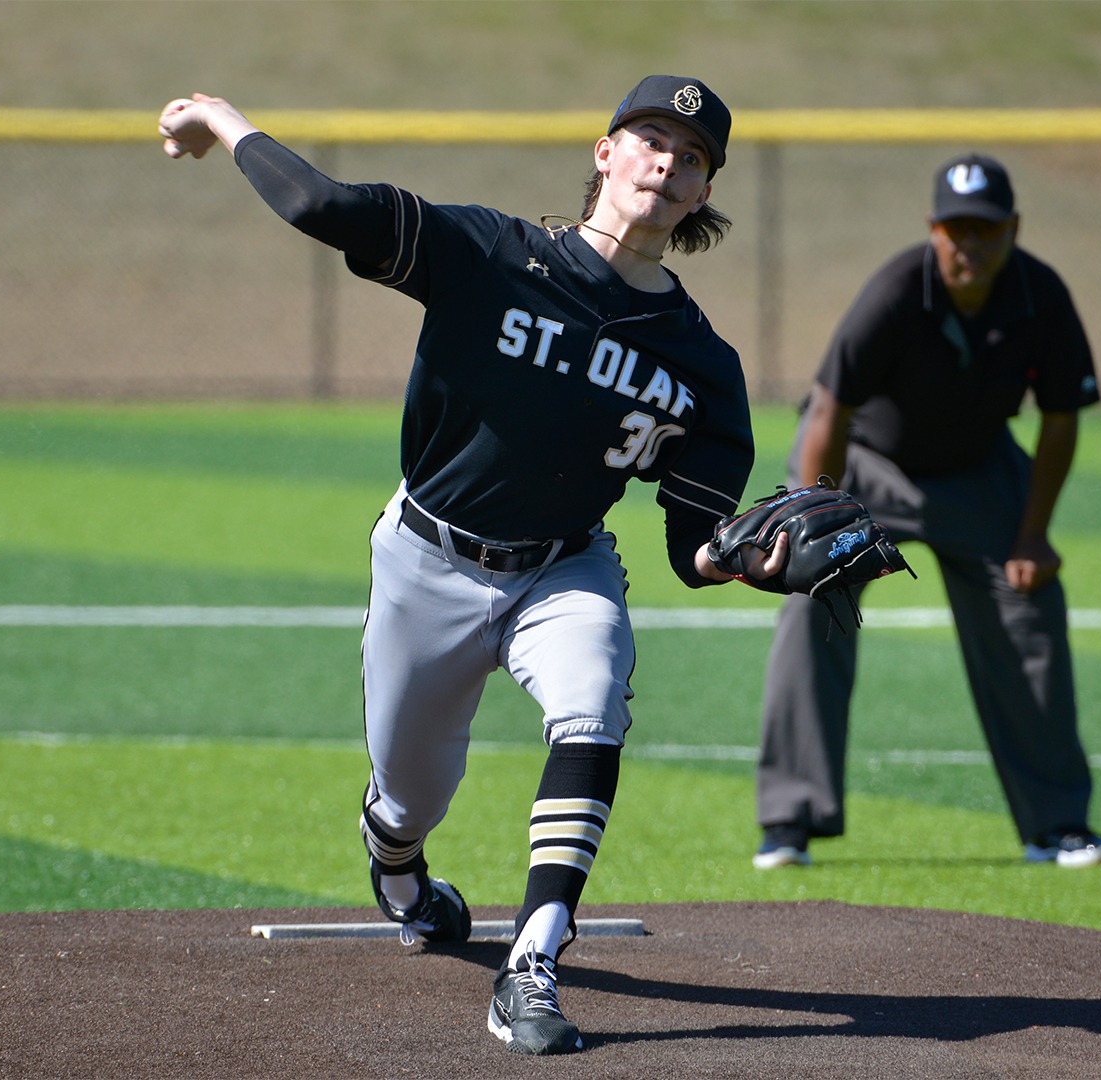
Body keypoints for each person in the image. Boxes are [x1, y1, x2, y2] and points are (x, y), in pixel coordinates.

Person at [159, 76, 785, 1056]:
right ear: (604, 153)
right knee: (411, 794)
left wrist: (746, 558)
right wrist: (221, 119)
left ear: (703, 194)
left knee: (594, 699)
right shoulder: (493, 254)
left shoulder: (705, 367)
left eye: (693, 155)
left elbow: (690, 546)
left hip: (565, 570)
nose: (668, 161)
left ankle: (532, 960)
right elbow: (325, 208)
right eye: (651, 138)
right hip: (426, 562)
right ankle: (397, 859)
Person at [752, 153, 1101, 872]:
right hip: (867, 468)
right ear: (932, 229)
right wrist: (810, 515)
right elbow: (829, 407)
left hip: (978, 472)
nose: (968, 245)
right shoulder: (895, 289)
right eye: (955, 229)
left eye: (984, 229)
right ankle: (789, 820)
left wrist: (1034, 534)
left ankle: (1057, 825)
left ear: (1013, 229)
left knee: (1028, 605)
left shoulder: (1040, 295)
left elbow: (1063, 417)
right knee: (809, 599)